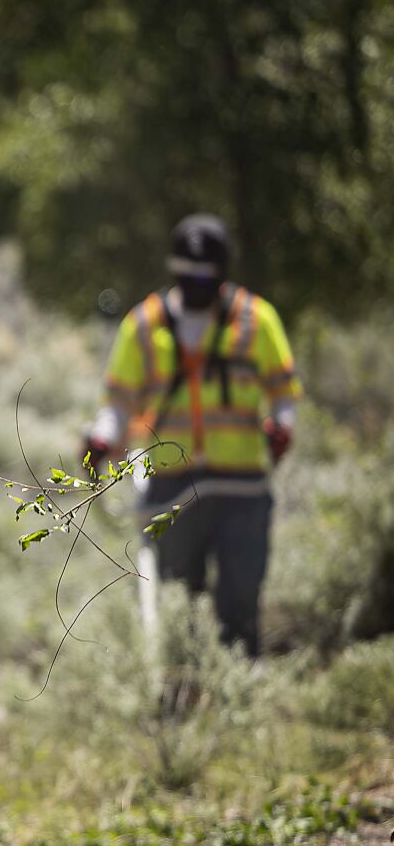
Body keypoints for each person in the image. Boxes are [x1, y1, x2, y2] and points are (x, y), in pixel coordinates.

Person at [85, 213, 302, 656]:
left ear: (222, 272)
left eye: (207, 274)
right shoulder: (143, 325)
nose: (197, 282)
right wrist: (101, 438)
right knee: (179, 596)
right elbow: (118, 403)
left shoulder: (257, 320)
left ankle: (238, 690)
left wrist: (282, 426)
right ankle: (182, 691)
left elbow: (285, 393)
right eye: (188, 273)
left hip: (242, 485)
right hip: (171, 489)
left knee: (241, 597)